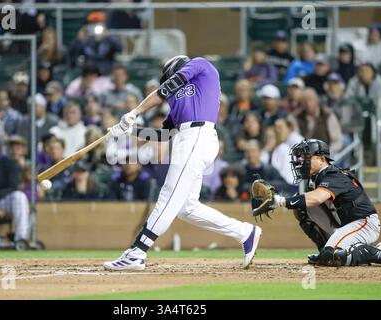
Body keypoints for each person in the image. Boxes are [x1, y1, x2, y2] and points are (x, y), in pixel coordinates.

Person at [103, 55, 262, 271]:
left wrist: (134, 112)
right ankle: (245, 232)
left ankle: (136, 252)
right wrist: (128, 131)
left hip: (198, 135)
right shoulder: (177, 101)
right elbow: (163, 134)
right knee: (187, 207)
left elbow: (168, 87)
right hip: (187, 140)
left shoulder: (199, 65)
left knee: (168, 196)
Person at [262, 138, 381, 267]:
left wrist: (279, 201)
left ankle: (380, 253)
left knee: (333, 256)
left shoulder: (334, 174)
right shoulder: (315, 178)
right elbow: (309, 202)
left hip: (363, 223)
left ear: (321, 159)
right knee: (301, 208)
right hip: (345, 224)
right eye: (301, 157)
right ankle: (325, 250)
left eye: (306, 157)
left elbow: (316, 198)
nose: (301, 161)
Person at [289, 88, 343, 155]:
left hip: (326, 154)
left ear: (317, 100)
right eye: (305, 101)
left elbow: (337, 140)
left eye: (310, 99)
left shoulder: (327, 115)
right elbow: (295, 139)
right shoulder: (297, 117)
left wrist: (327, 153)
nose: (308, 104)